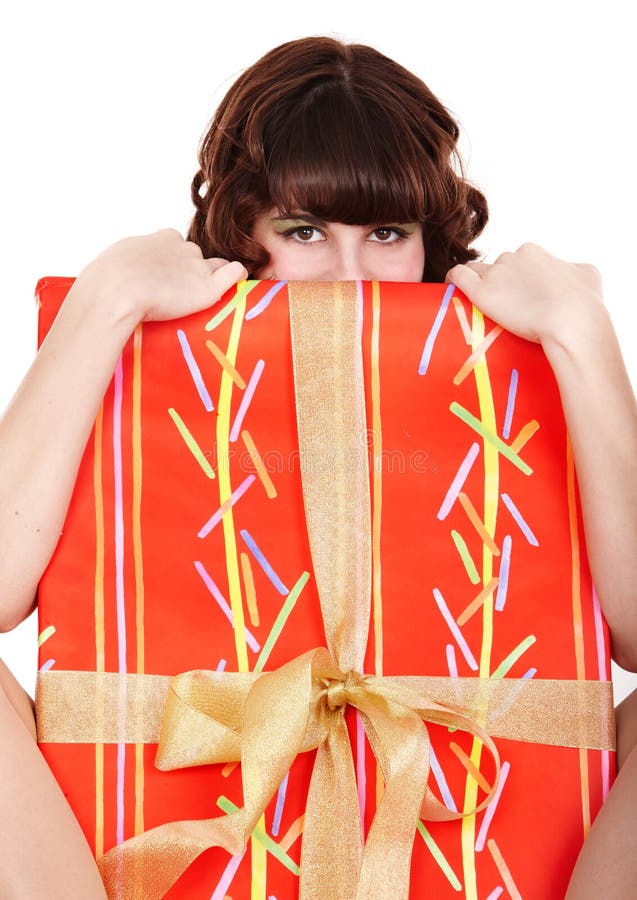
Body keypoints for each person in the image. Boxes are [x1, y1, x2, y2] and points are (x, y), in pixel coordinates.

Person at [0, 35, 635, 899]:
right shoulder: (133, 347)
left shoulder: (528, 354)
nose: (347, 273)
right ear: (241, 233)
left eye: (385, 232)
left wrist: (582, 335)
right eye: (303, 231)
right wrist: (103, 303)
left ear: (429, 242)